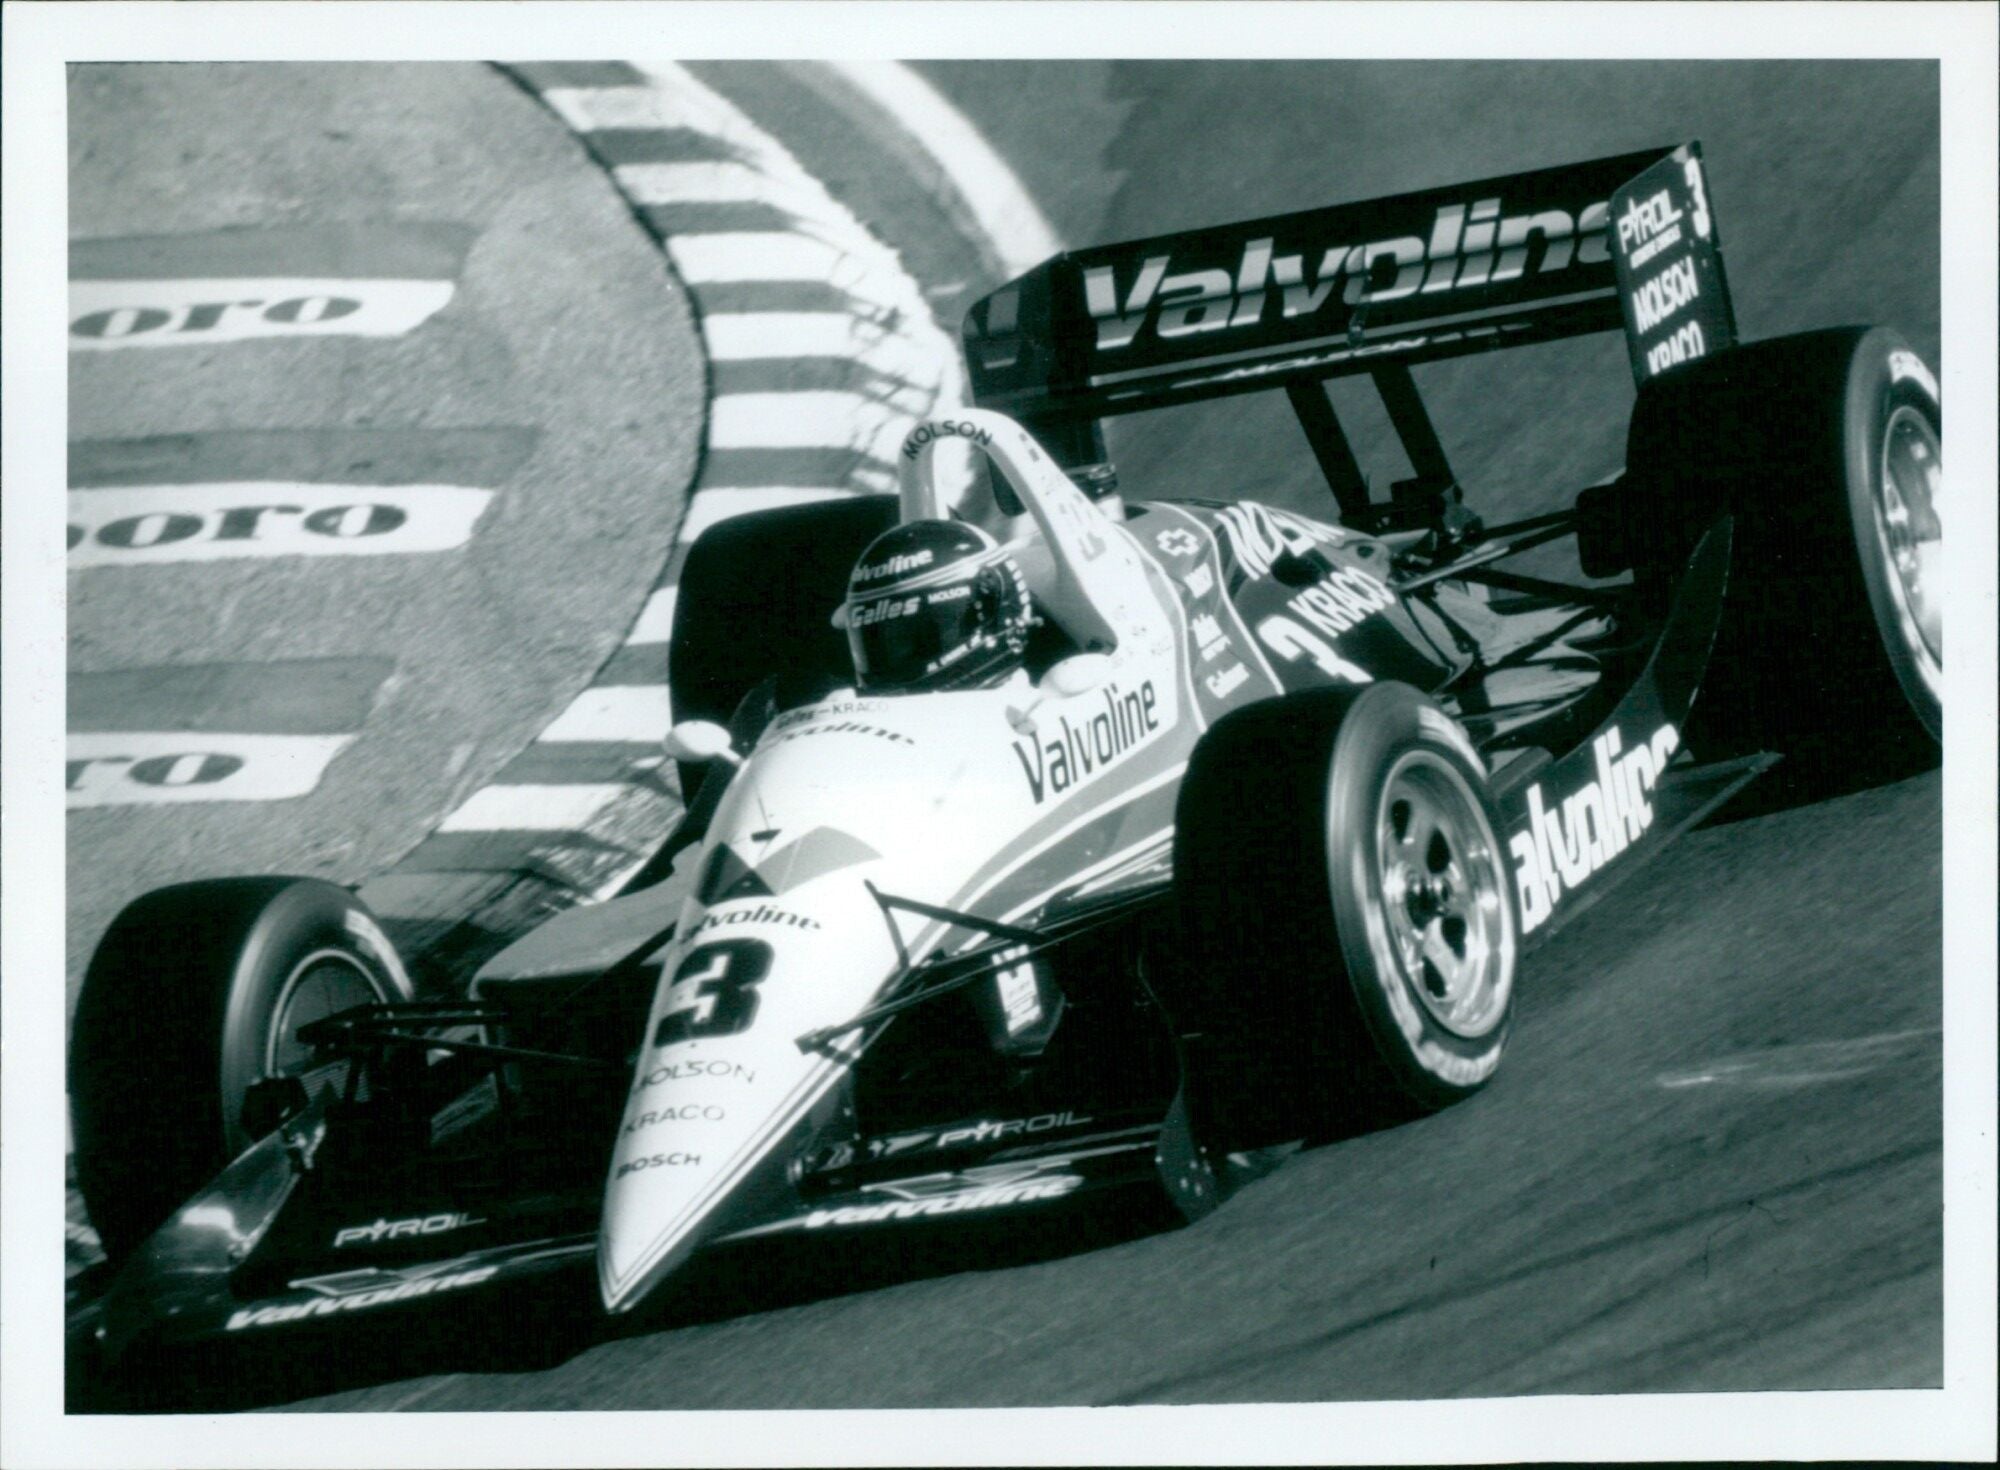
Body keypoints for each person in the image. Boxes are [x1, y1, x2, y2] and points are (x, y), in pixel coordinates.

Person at [843, 519, 1035, 694]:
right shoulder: (848, 707)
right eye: (880, 646)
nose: (896, 654)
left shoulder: (1036, 713)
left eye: (919, 639)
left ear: (984, 611)